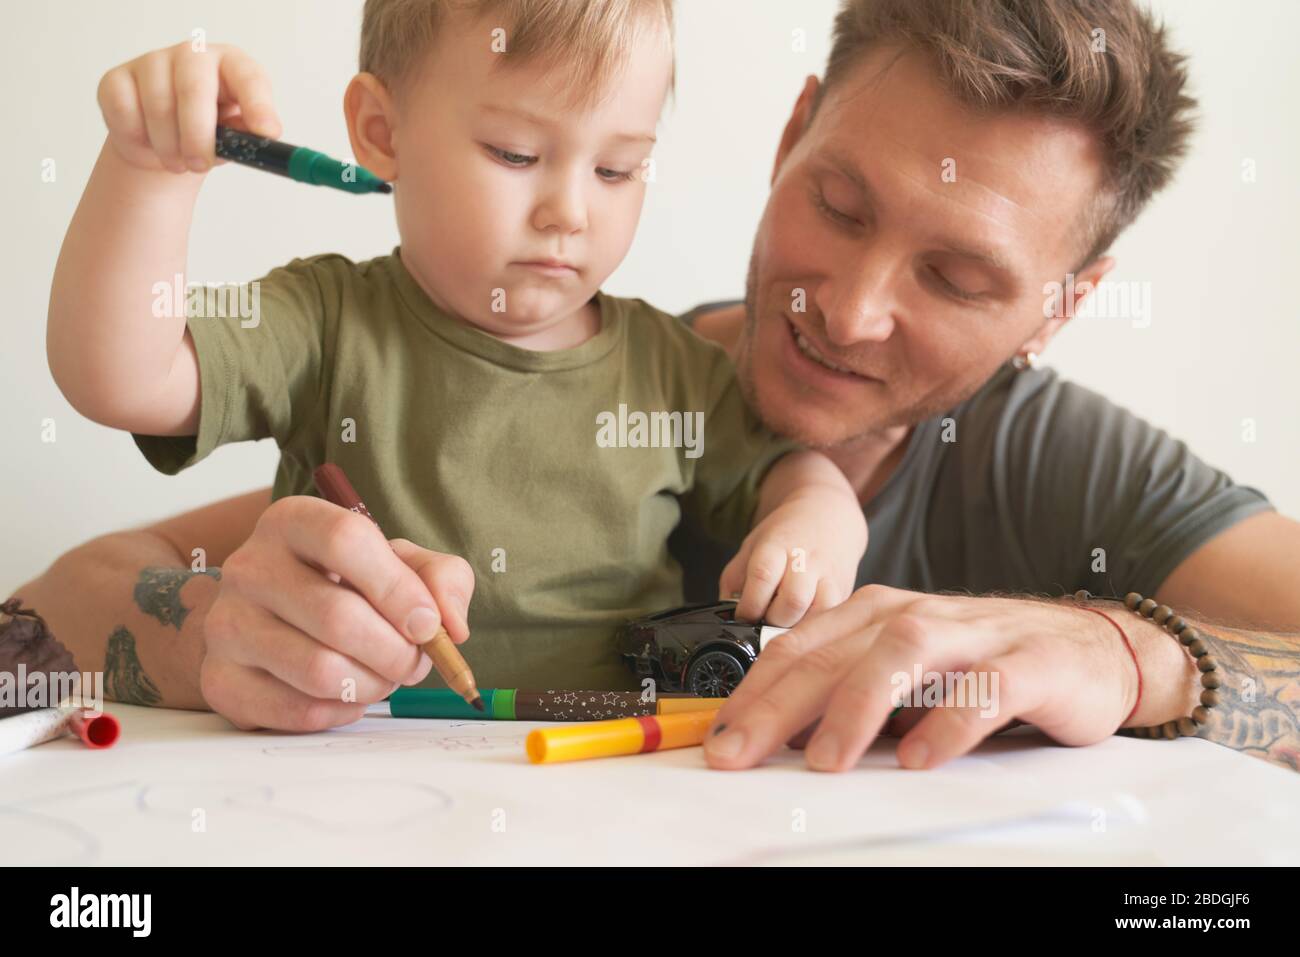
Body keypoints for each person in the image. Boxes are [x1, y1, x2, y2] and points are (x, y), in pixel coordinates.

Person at [15, 0, 1300, 771]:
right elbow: (28, 628)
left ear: (1064, 307)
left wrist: (1131, 658)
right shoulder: (565, 369)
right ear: (790, 131)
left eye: (959, 278)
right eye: (837, 205)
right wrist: (212, 635)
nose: (846, 310)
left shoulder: (1080, 475)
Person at [41, 0, 868, 718]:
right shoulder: (328, 320)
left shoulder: (673, 370)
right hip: (346, 757)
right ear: (380, 132)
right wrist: (149, 174)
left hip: (604, 774)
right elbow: (123, 377)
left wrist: (819, 518)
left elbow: (788, 471)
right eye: (514, 153)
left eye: (618, 168)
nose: (568, 211)